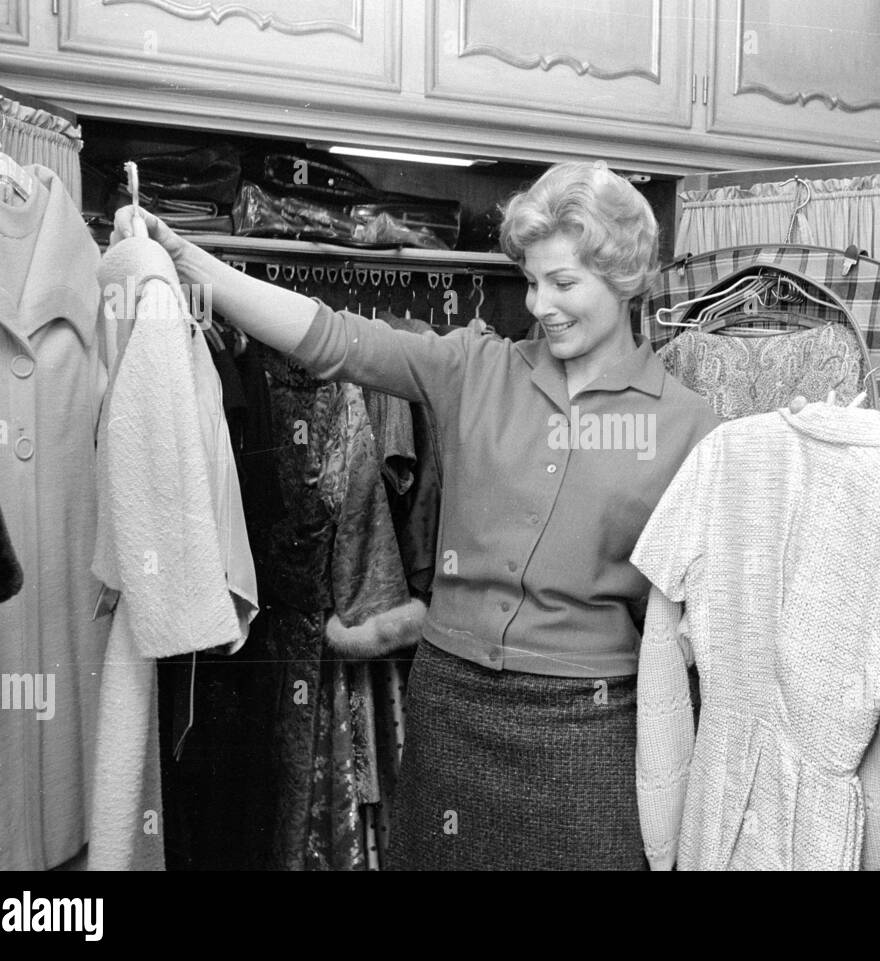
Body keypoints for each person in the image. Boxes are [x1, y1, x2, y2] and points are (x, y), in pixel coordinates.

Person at [109, 160, 721, 869]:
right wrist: (186, 259)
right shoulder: (476, 366)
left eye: (564, 283)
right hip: (452, 714)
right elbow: (329, 337)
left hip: (589, 738)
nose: (540, 303)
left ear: (624, 278)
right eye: (530, 279)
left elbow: (705, 627)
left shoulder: (693, 429)